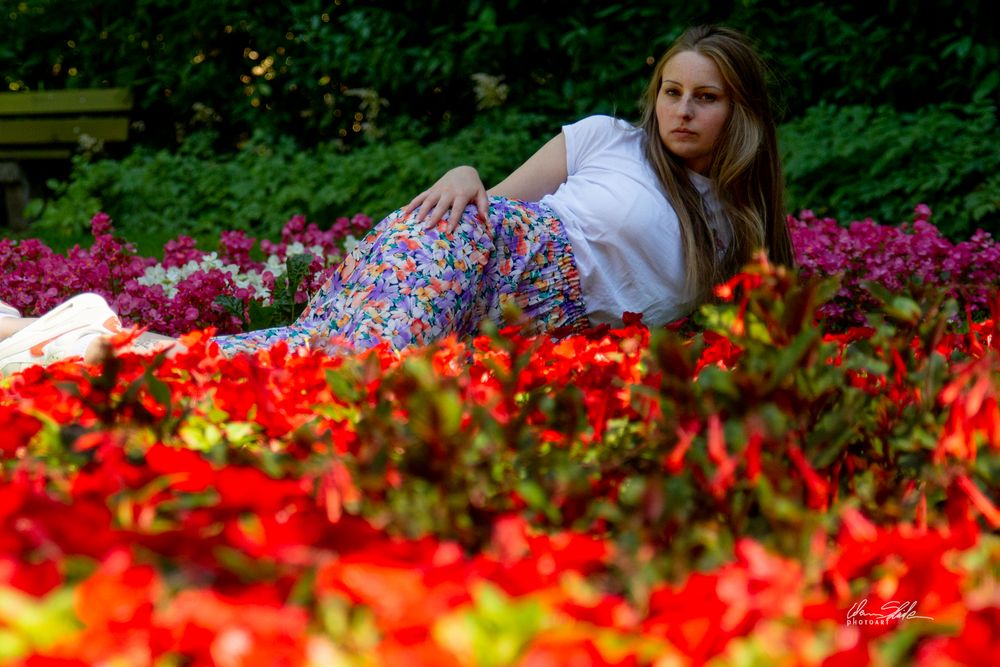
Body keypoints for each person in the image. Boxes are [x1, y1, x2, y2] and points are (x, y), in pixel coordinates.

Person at [0, 25, 793, 375]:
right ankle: (63, 344)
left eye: (706, 97)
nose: (681, 110)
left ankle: (55, 338)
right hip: (467, 247)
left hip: (518, 322)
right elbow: (493, 203)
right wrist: (460, 171)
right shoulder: (606, 138)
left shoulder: (738, 234)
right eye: (671, 91)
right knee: (343, 378)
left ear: (743, 112)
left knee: (289, 365)